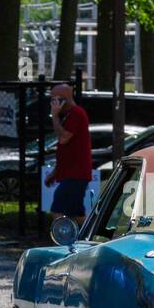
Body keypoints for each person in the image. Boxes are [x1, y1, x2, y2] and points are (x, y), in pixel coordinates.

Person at [45, 83, 91, 227]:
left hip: (76, 174)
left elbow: (63, 138)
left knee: (57, 210)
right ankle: (88, 238)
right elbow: (67, 150)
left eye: (54, 99)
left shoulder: (77, 113)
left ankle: (63, 242)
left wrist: (54, 116)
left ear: (62, 100)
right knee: (77, 214)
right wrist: (54, 172)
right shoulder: (69, 115)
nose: (52, 102)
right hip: (71, 173)